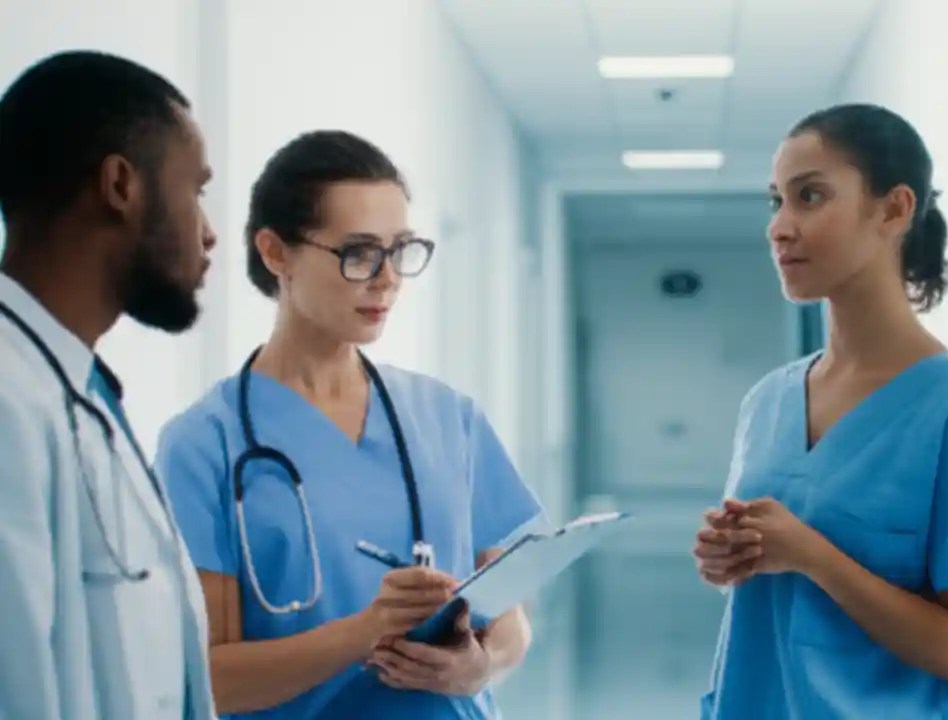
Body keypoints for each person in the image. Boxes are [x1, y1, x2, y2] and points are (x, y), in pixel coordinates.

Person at [155, 129, 546, 720]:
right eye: (359, 252)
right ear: (275, 252)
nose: (387, 278)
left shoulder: (446, 418)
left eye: (401, 250)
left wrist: (480, 667)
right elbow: (207, 678)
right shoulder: (205, 443)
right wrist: (361, 633)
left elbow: (510, 616)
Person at [692, 103, 948, 719]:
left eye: (810, 196)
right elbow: (776, 595)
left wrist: (810, 553)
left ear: (894, 209)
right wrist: (730, 561)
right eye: (776, 202)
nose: (780, 227)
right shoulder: (767, 401)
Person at [0, 51, 218, 719]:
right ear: (121, 185)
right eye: (197, 190)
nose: (208, 234)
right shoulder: (10, 398)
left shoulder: (78, 391)